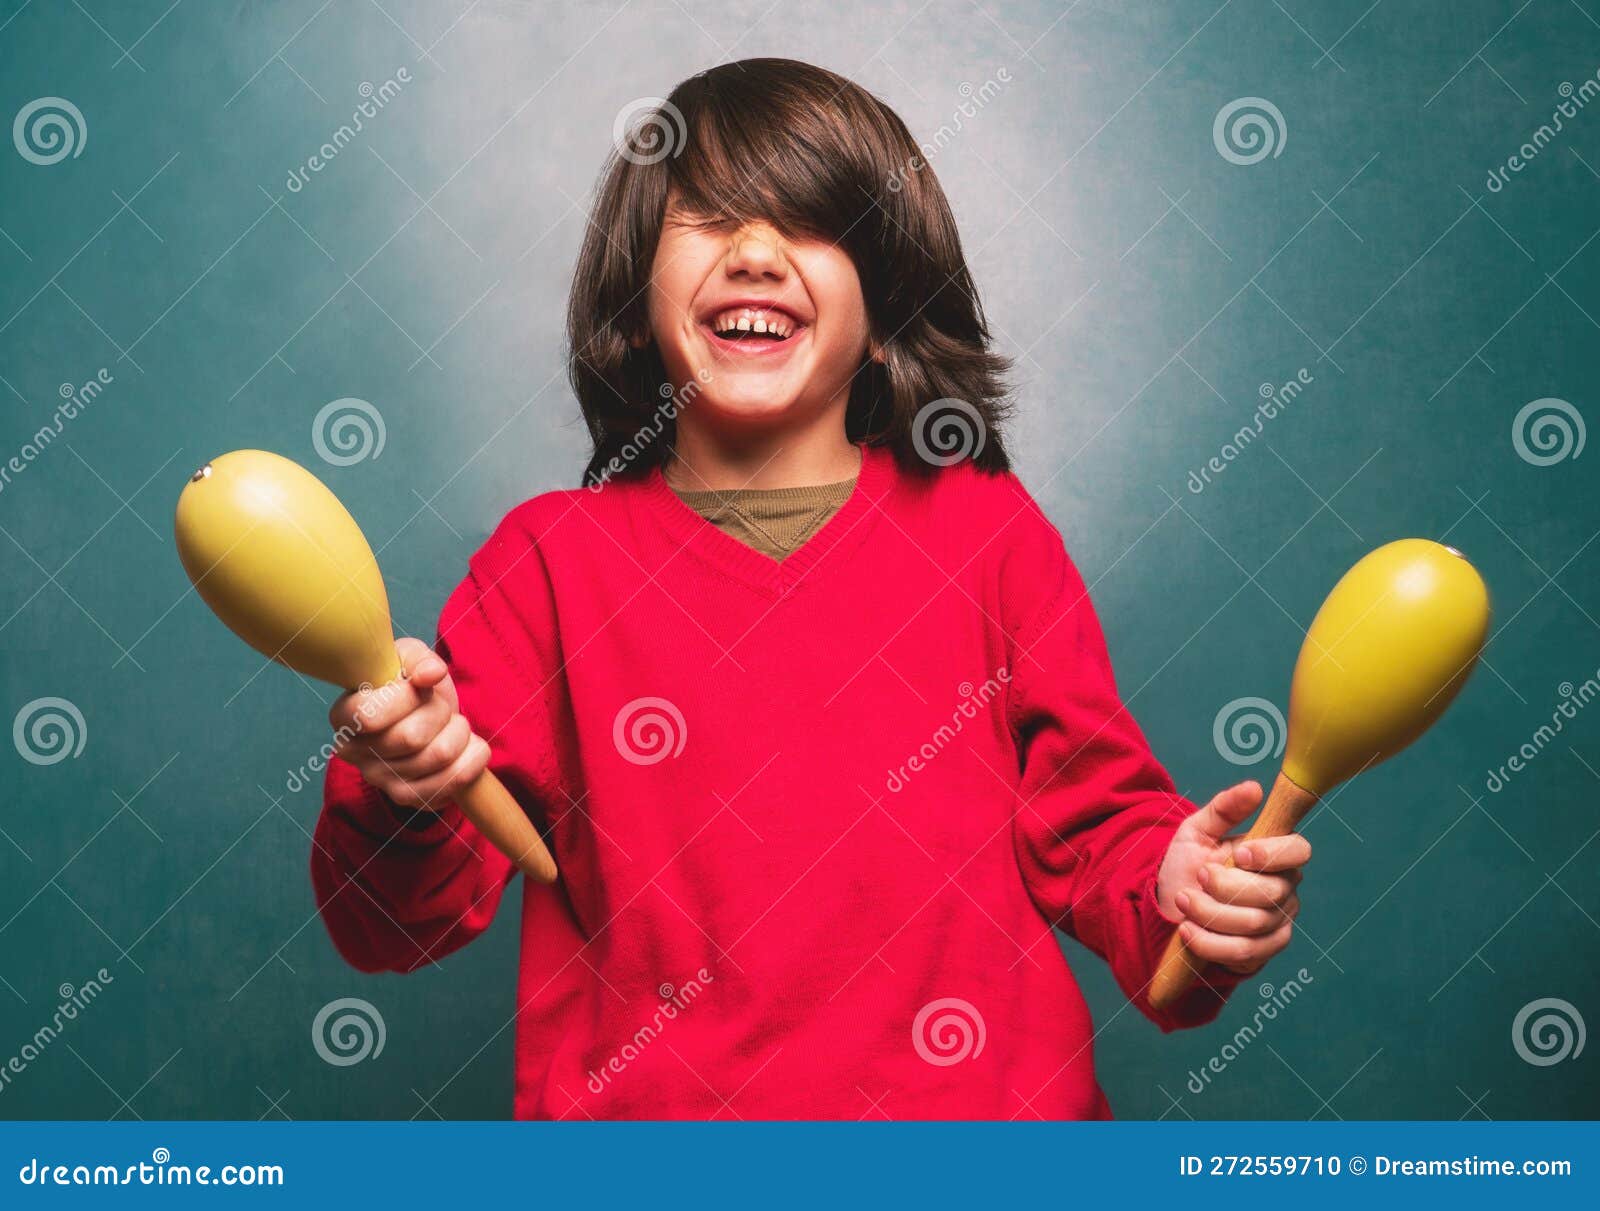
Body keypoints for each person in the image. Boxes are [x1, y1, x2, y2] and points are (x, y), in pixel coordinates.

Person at [313, 58, 1310, 1119]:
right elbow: (393, 920)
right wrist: (404, 790)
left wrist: (1175, 886)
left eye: (806, 222)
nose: (751, 250)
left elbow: (1100, 825)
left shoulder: (989, 535)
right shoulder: (545, 566)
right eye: (704, 216)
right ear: (636, 293)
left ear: (884, 305)